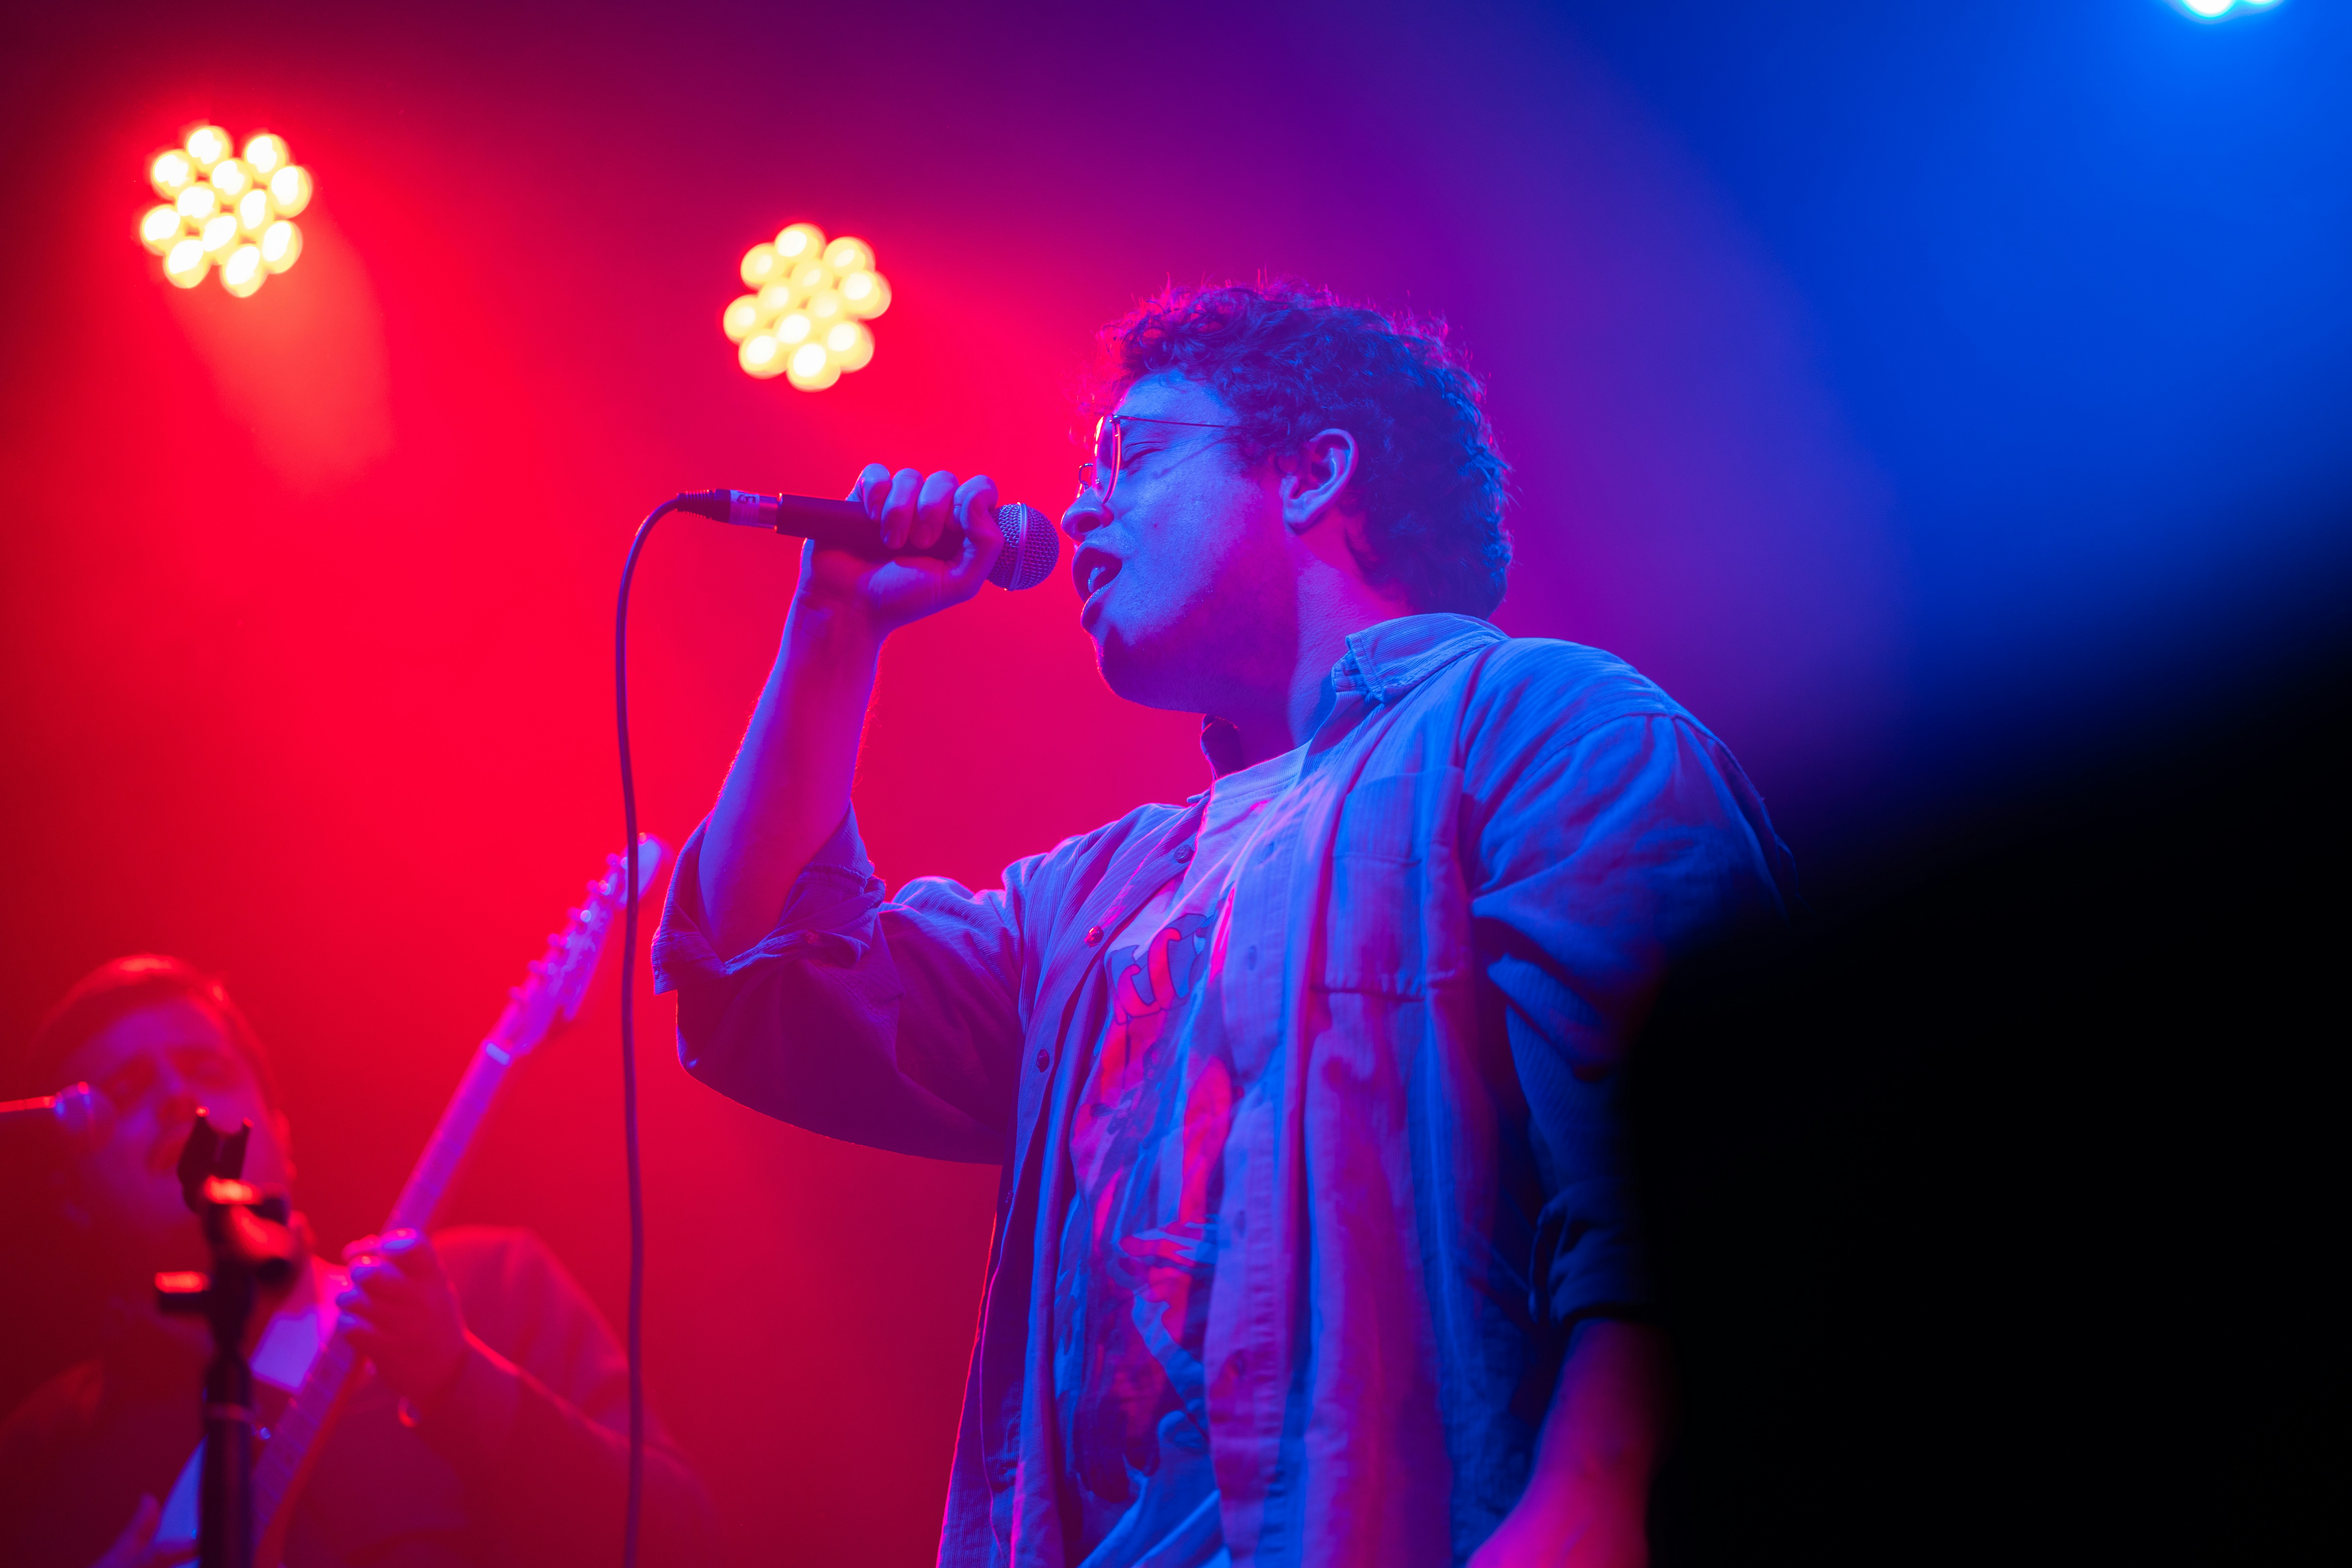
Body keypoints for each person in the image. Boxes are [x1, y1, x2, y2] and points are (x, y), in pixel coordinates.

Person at [654, 281, 1798, 1567]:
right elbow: (759, 983)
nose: (1081, 508)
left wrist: (1596, 1504)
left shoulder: (1540, 725)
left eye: (1131, 456)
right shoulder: (1100, 892)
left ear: (1311, 474)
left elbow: (1712, 1170)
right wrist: (830, 630)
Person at [0, 955, 717, 1568]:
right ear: (72, 1197)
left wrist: (460, 1381)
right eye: (125, 1092)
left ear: (280, 1129)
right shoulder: (46, 1452)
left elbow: (681, 1540)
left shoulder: (488, 1285)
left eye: (204, 1067)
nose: (176, 1095)